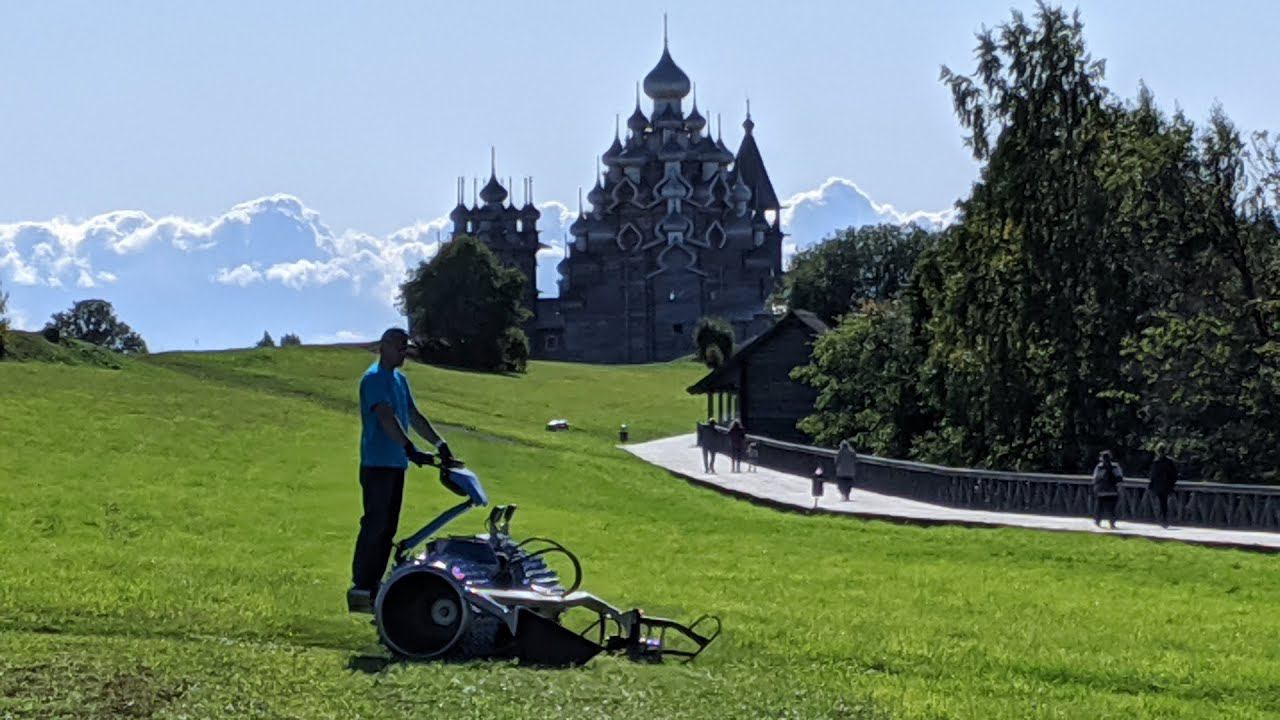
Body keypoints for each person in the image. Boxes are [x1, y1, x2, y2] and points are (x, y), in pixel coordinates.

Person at [348, 328, 451, 613]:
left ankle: (375, 585)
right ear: (384, 347)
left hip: (396, 464)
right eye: (399, 347)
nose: (403, 352)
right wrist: (409, 448)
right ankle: (361, 585)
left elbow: (414, 416)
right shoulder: (374, 379)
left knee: (388, 527)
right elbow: (385, 417)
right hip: (377, 463)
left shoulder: (400, 380)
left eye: (406, 348)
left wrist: (440, 444)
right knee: (375, 524)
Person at [1148, 444, 1179, 528]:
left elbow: (1153, 475)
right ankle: (1164, 519)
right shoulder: (1169, 462)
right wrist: (1172, 483)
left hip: (1159, 486)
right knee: (1164, 503)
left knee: (1161, 503)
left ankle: (1163, 519)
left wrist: (1151, 485)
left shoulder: (1156, 462)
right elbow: (1175, 474)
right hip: (1166, 486)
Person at [1092, 450, 1124, 529]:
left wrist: (1095, 488)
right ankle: (1112, 523)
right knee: (1112, 508)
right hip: (1113, 491)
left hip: (1101, 491)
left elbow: (1095, 478)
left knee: (1099, 507)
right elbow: (1120, 477)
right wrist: (1120, 489)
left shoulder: (1099, 467)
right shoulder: (1115, 466)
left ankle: (1098, 521)